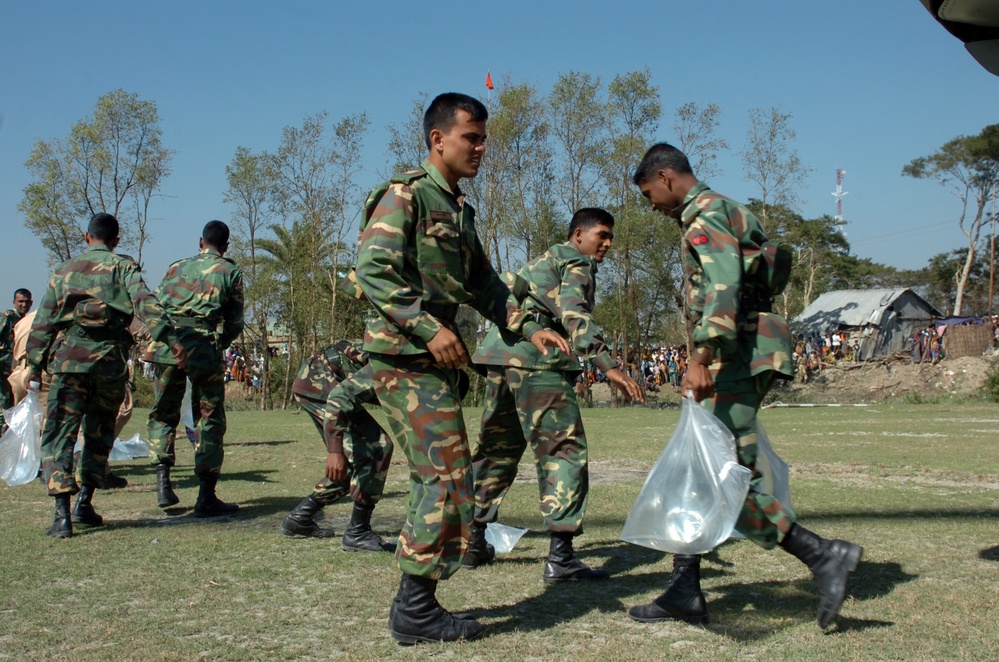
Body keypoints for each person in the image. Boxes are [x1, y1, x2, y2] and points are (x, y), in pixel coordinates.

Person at [352, 92, 569, 644]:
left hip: (433, 362)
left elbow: (485, 285)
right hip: (404, 358)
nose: (481, 147)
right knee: (446, 476)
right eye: (472, 137)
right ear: (438, 139)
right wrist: (428, 327)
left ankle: (416, 603)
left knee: (450, 477)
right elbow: (371, 269)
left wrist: (526, 324)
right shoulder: (406, 196)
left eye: (483, 137)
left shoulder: (458, 209)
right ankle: (415, 606)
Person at [629, 143, 862, 630]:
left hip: (735, 353)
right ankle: (685, 589)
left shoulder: (705, 214)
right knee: (705, 465)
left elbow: (724, 284)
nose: (651, 205)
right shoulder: (726, 210)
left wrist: (701, 354)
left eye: (649, 193)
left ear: (666, 176)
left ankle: (821, 554)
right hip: (750, 346)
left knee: (724, 472)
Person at [465, 208, 644, 581]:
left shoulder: (543, 260)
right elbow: (574, 313)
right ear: (579, 234)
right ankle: (561, 557)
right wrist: (607, 364)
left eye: (611, 238)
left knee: (496, 448)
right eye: (602, 236)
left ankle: (472, 540)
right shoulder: (576, 262)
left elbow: (503, 294)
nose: (608, 245)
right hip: (538, 360)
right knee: (563, 449)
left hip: (501, 356)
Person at [23, 213, 184, 538]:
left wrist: (34, 364)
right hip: (109, 364)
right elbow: (146, 304)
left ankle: (62, 517)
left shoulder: (64, 271)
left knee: (59, 435)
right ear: (116, 240)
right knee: (99, 436)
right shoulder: (123, 267)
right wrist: (171, 340)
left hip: (70, 363)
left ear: (87, 237)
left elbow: (43, 322)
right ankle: (85, 503)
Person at [145, 220, 244, 517]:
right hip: (204, 347)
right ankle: (206, 496)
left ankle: (164, 483)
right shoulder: (230, 272)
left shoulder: (175, 267)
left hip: (167, 347)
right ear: (225, 246)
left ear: (200, 241)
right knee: (209, 418)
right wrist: (217, 342)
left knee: (164, 413)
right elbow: (235, 322)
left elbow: (157, 306)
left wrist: (166, 338)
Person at [281, 340, 396, 553]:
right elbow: (339, 398)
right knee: (377, 447)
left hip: (322, 385)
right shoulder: (395, 365)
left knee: (355, 461)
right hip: (321, 384)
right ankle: (357, 532)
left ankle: (300, 517)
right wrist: (335, 451)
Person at [0, 289, 32, 435]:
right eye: (20, 301)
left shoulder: (27, 321)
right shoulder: (7, 317)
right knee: (4, 408)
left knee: (15, 408)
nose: (24, 304)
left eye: (27, 302)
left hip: (16, 372)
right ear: (14, 302)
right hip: (3, 370)